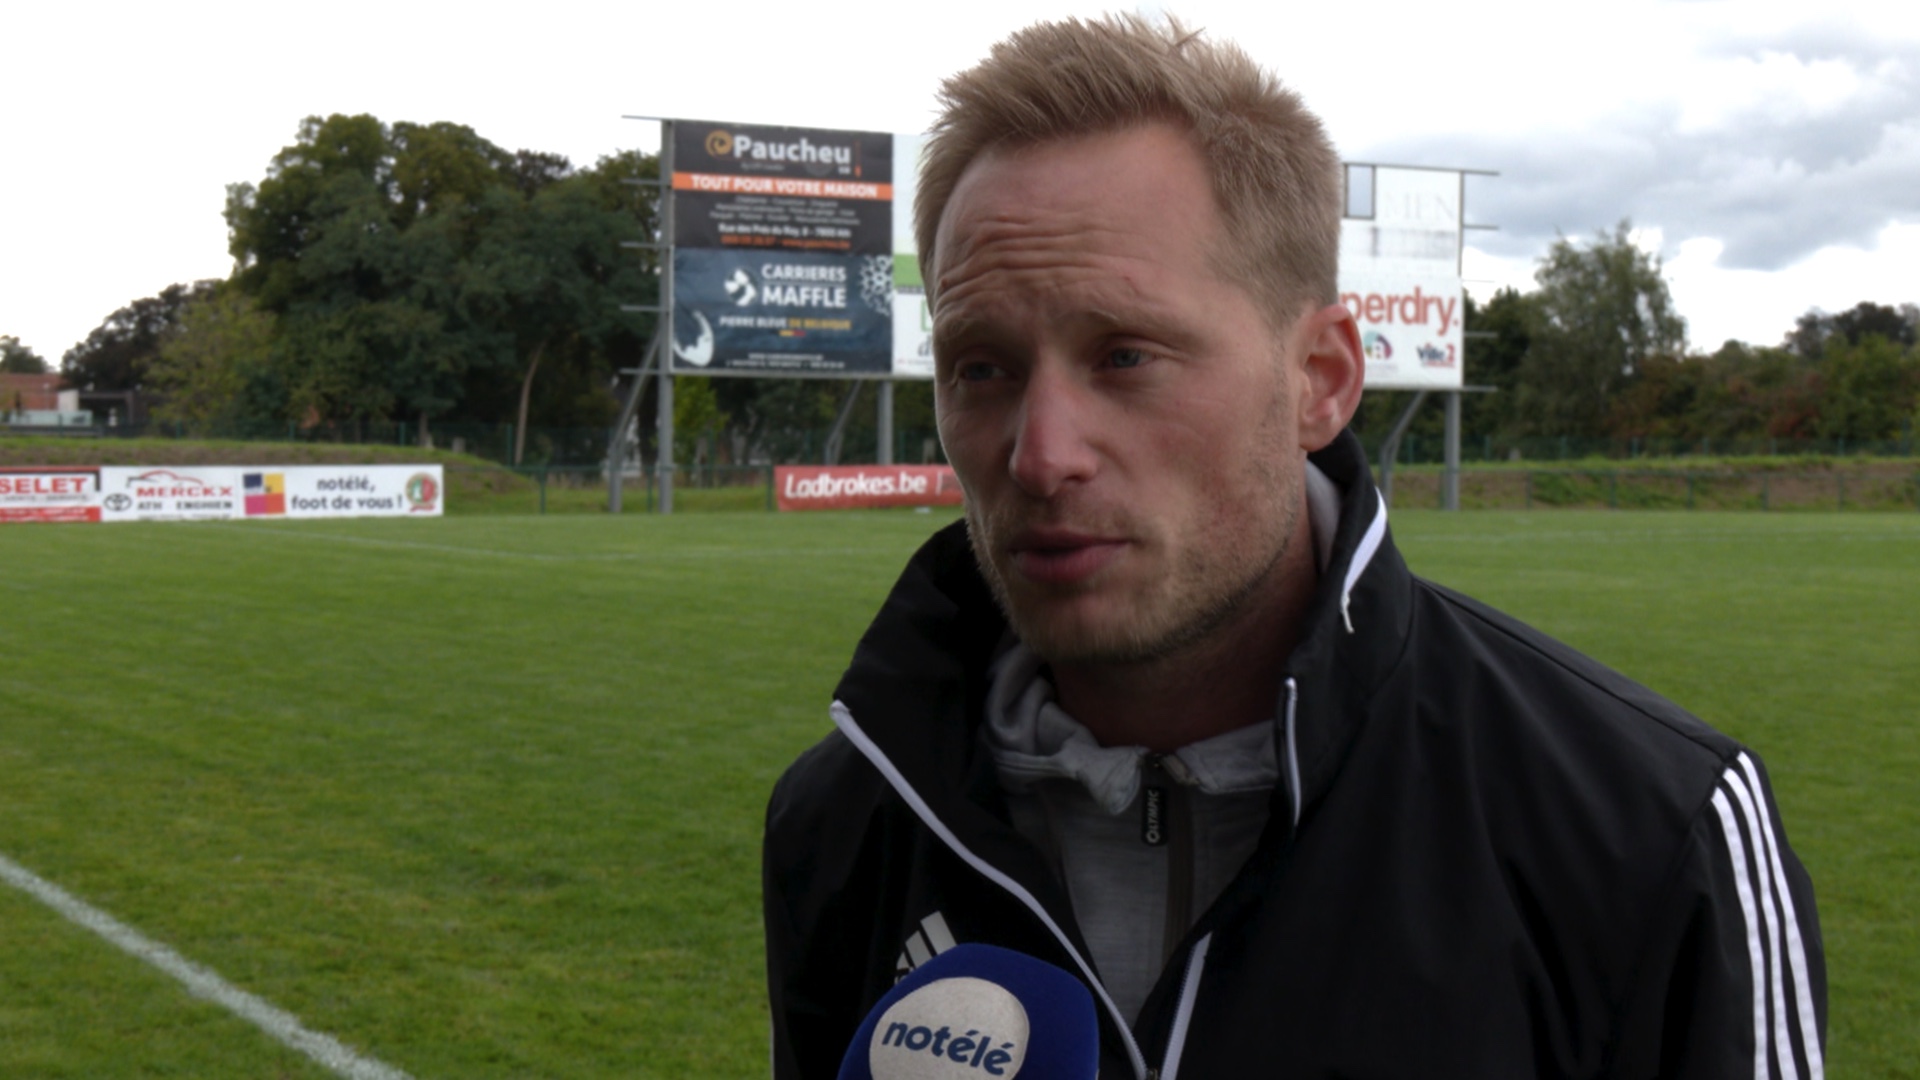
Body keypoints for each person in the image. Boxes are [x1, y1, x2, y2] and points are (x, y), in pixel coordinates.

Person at [763, 15, 1824, 1079]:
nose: (1042, 457)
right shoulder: (844, 824)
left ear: (1319, 378)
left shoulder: (1647, 831)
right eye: (983, 367)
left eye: (1125, 355)